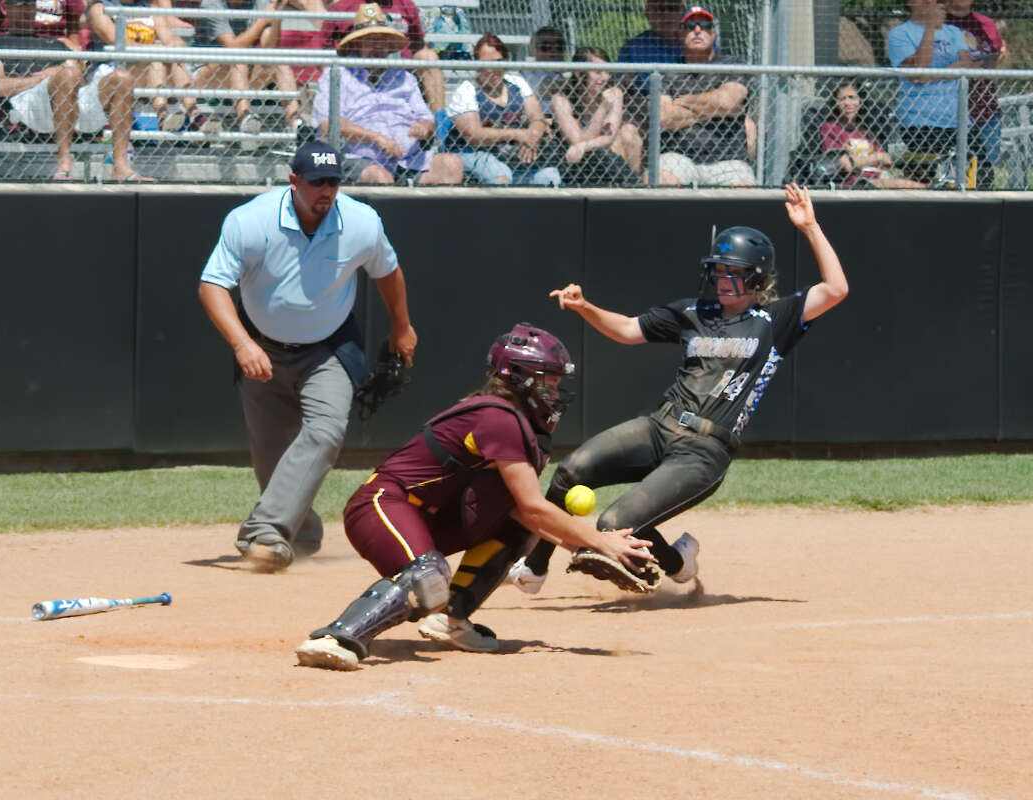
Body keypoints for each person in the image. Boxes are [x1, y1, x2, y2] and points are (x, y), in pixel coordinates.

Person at [506, 184, 849, 596]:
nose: (723, 279)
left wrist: (809, 227)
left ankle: (674, 561)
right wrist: (586, 307)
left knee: (613, 526)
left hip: (704, 451)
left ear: (756, 276)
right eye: (718, 270)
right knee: (570, 472)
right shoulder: (693, 313)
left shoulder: (775, 319)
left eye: (734, 272)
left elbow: (836, 289)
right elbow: (629, 329)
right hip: (659, 426)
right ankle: (536, 567)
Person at [293, 323, 655, 670]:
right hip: (382, 504)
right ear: (521, 378)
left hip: (428, 516)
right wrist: (600, 542)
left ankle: (450, 619)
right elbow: (535, 505)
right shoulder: (500, 419)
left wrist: (585, 547)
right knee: (427, 574)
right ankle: (338, 638)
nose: (556, 393)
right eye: (551, 382)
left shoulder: (518, 424)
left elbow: (523, 514)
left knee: (516, 530)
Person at [198, 139, 418, 572]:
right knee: (271, 459)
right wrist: (243, 344)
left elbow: (387, 271)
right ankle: (302, 534)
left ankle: (266, 531)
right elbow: (211, 286)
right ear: (294, 181)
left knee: (326, 431)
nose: (327, 190)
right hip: (262, 345)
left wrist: (401, 325)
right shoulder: (250, 220)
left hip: (329, 346)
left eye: (334, 181)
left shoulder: (360, 222)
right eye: (317, 181)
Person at [0, 0, 149, 181]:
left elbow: (81, 79)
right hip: (28, 107)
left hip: (71, 104)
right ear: (5, 7)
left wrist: (62, 75)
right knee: (67, 74)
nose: (27, 9)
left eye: (31, 3)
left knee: (122, 78)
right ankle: (64, 160)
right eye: (20, 3)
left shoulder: (58, 43)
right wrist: (42, 78)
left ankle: (120, 166)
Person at [310, 3, 462, 185]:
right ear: (356, 43)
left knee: (451, 164)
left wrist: (424, 126)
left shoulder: (404, 77)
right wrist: (376, 138)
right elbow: (328, 124)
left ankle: (431, 213)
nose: (378, 47)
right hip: (357, 158)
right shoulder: (336, 75)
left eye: (382, 41)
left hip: (409, 160)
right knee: (380, 177)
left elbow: (425, 117)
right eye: (371, 40)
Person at [444, 32, 561, 186]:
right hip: (471, 152)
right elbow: (474, 134)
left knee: (549, 177)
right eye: (486, 64)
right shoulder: (467, 90)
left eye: (498, 62)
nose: (492, 69)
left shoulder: (517, 83)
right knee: (499, 173)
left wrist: (532, 137)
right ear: (476, 64)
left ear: (506, 61)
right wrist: (518, 134)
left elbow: (538, 118)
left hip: (509, 155)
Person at [658, 6, 755, 187]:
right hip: (679, 156)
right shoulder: (668, 72)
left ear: (713, 33)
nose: (697, 30)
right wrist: (714, 107)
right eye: (690, 26)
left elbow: (728, 102)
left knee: (744, 190)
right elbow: (664, 118)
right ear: (680, 33)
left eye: (704, 25)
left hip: (728, 159)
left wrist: (682, 102)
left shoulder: (733, 65)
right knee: (661, 179)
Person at [191, 0, 302, 140]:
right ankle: (245, 118)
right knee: (237, 58)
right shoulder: (212, 4)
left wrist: (276, 19)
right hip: (207, 77)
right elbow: (233, 47)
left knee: (280, 63)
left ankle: (296, 124)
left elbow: (270, 47)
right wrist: (262, 20)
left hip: (242, 77)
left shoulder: (259, 3)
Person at [86, 0, 201, 130]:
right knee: (156, 60)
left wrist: (173, 46)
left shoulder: (150, 9)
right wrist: (157, 49)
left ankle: (194, 113)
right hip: (113, 69)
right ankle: (163, 112)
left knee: (173, 61)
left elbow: (171, 39)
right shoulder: (100, 8)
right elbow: (118, 42)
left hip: (147, 68)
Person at [886, 0, 975, 165]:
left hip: (958, 119)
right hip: (921, 121)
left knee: (980, 172)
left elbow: (966, 65)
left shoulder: (953, 32)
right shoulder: (900, 34)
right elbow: (918, 70)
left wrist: (929, 77)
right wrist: (930, 28)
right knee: (935, 177)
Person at [320, 0, 445, 113]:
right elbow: (325, 49)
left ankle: (439, 119)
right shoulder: (342, 6)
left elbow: (418, 45)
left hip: (401, 74)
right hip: (355, 76)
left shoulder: (406, 5)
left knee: (429, 56)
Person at [548, 45, 643, 185]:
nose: (604, 77)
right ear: (579, 73)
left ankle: (633, 186)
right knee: (600, 152)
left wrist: (586, 145)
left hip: (608, 158)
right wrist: (603, 108)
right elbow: (577, 141)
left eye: (607, 71)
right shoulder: (561, 100)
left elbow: (608, 137)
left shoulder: (614, 93)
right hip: (577, 164)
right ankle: (632, 185)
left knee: (629, 131)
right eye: (598, 72)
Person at [818, 81, 925, 189]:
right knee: (909, 185)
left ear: (860, 101)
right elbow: (846, 165)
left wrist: (862, 161)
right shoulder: (830, 128)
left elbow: (887, 161)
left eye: (852, 97)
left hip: (878, 178)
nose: (847, 103)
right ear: (835, 104)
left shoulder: (865, 131)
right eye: (842, 99)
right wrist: (876, 158)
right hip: (854, 182)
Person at [944, 0, 1005, 190]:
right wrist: (970, 66)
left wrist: (977, 65)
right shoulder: (938, 21)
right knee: (952, 174)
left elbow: (998, 53)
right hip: (949, 114)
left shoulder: (985, 23)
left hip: (985, 109)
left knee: (985, 171)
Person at [524, 24, 567, 100]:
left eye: (559, 46)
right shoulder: (529, 72)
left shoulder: (564, 73)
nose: (554, 50)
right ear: (534, 50)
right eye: (546, 46)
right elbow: (545, 89)